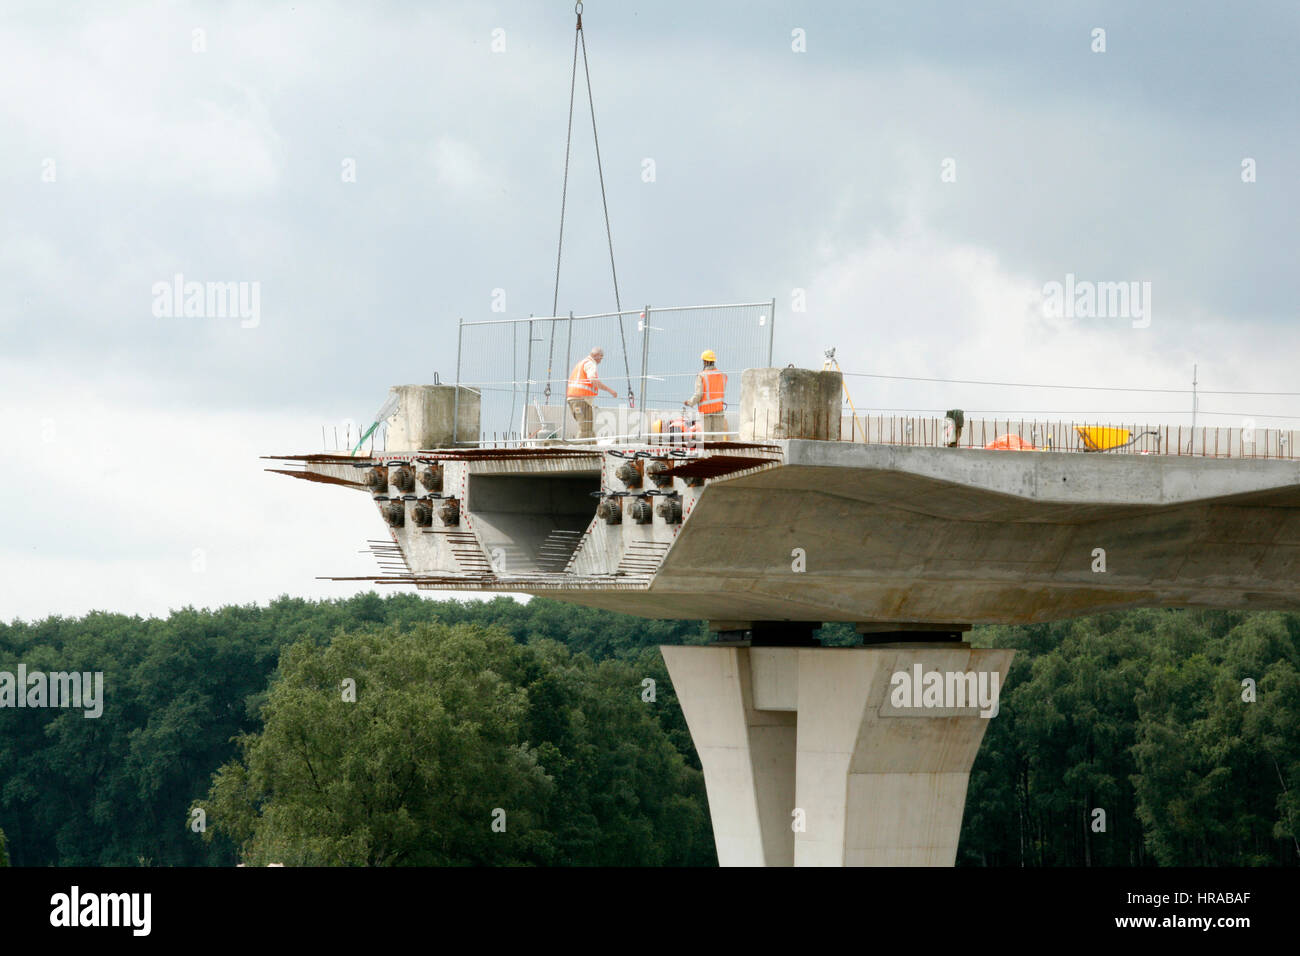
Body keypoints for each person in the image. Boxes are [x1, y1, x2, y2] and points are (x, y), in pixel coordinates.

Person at [566, 347, 618, 440]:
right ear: (596, 355)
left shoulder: (582, 363)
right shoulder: (590, 364)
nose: (601, 360)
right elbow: (593, 380)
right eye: (601, 357)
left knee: (588, 427)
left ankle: (592, 445)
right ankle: (580, 447)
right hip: (581, 401)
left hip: (574, 400)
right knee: (585, 429)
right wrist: (610, 390)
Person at [684, 349, 728, 440]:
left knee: (707, 437)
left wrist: (689, 402)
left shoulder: (702, 376)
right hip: (719, 409)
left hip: (706, 410)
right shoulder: (722, 375)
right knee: (718, 437)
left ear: (705, 362)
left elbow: (699, 394)